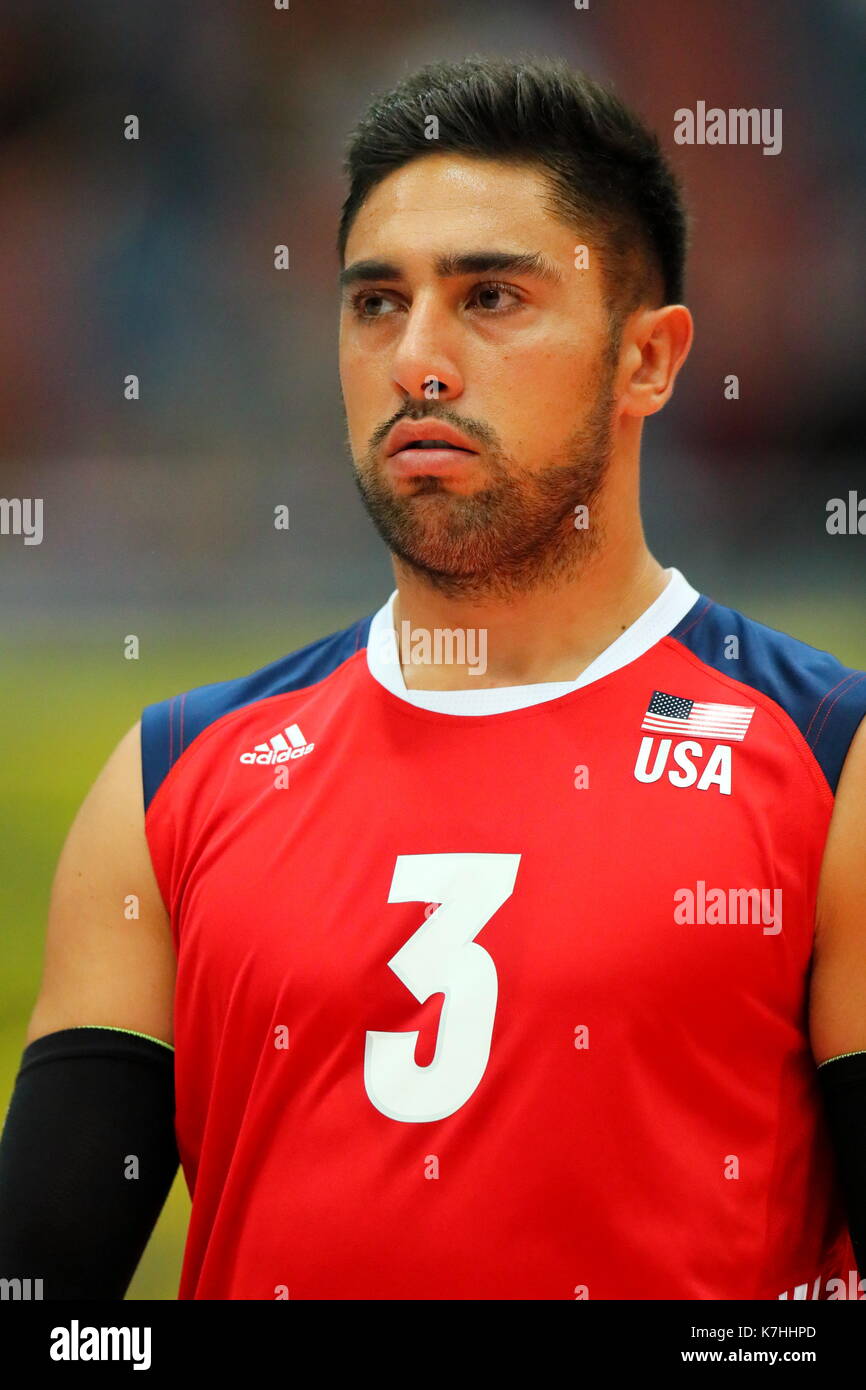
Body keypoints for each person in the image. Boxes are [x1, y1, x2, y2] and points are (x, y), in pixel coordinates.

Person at [2, 56, 865, 1301]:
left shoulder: (826, 767)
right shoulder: (169, 784)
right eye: (374, 305)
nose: (418, 360)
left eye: (491, 298)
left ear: (648, 361)